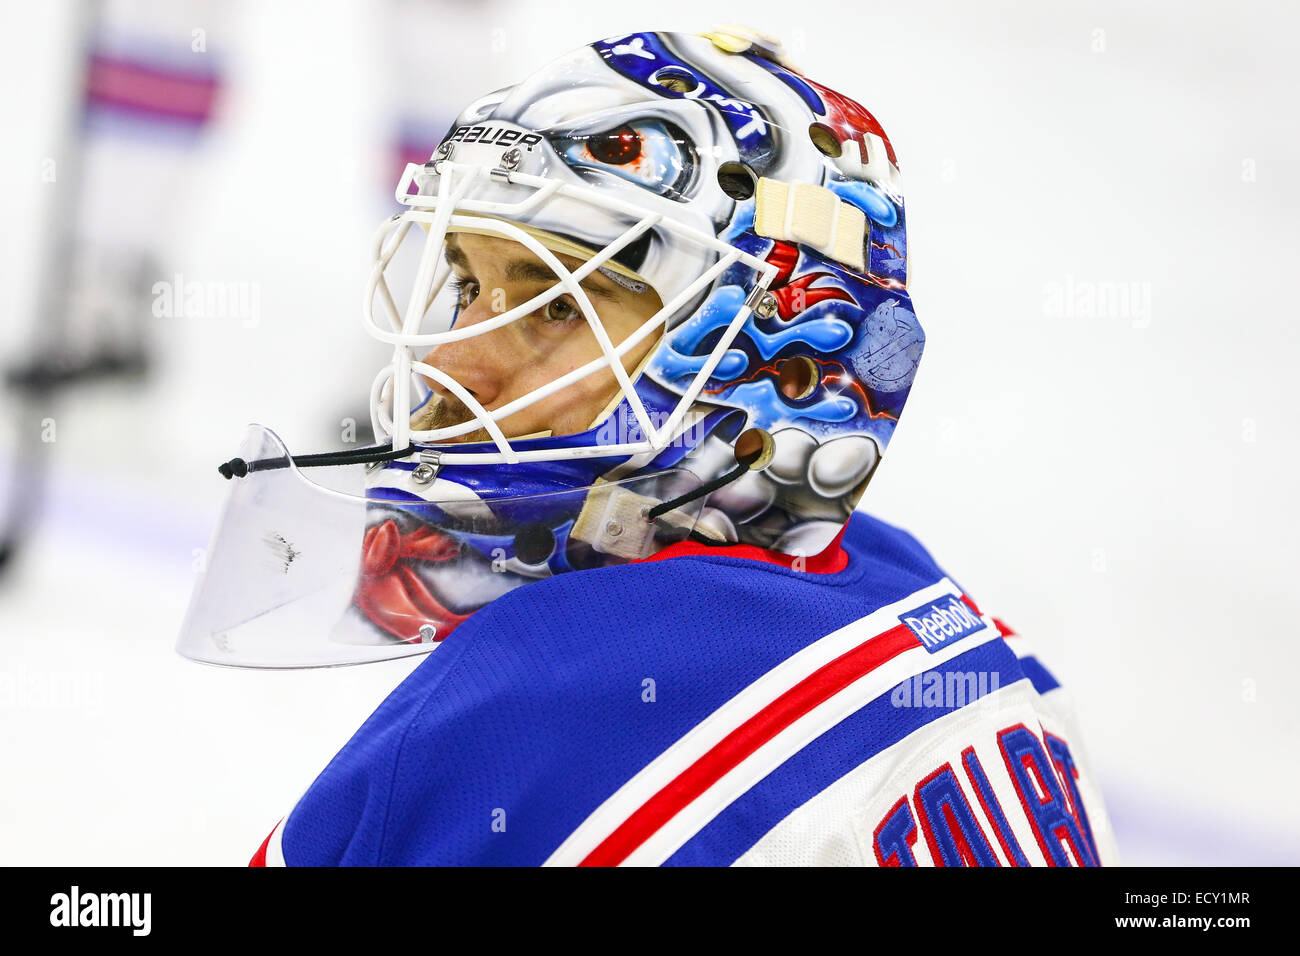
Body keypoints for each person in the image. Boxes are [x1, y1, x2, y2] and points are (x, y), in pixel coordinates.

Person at [180, 26, 1119, 866]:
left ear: (776, 366)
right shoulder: (968, 640)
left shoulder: (526, 703)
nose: (453, 362)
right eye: (466, 281)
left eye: (558, 305)